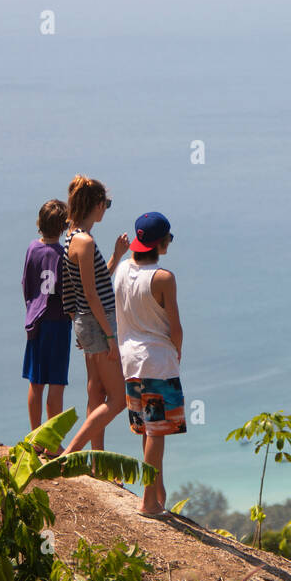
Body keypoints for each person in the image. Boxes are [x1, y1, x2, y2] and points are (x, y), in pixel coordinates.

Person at [113, 211, 184, 515]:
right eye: (169, 237)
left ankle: (155, 493)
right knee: (157, 430)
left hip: (129, 360)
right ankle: (148, 502)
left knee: (145, 430)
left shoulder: (121, 270)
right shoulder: (164, 278)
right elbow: (175, 327)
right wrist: (176, 354)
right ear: (161, 242)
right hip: (157, 361)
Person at [61, 175, 129, 453]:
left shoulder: (72, 237)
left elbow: (91, 283)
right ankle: (70, 454)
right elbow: (91, 293)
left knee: (96, 391)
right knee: (119, 399)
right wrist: (110, 336)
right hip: (98, 323)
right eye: (107, 204)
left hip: (86, 322)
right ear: (97, 205)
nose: (106, 209)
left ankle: (97, 460)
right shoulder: (85, 242)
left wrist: (116, 256)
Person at [22, 199, 71, 437]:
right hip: (58, 323)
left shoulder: (32, 248)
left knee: (36, 382)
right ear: (63, 226)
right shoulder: (62, 255)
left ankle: (35, 435)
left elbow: (26, 283)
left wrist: (31, 308)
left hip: (35, 322)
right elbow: (67, 293)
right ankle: (52, 440)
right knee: (57, 384)